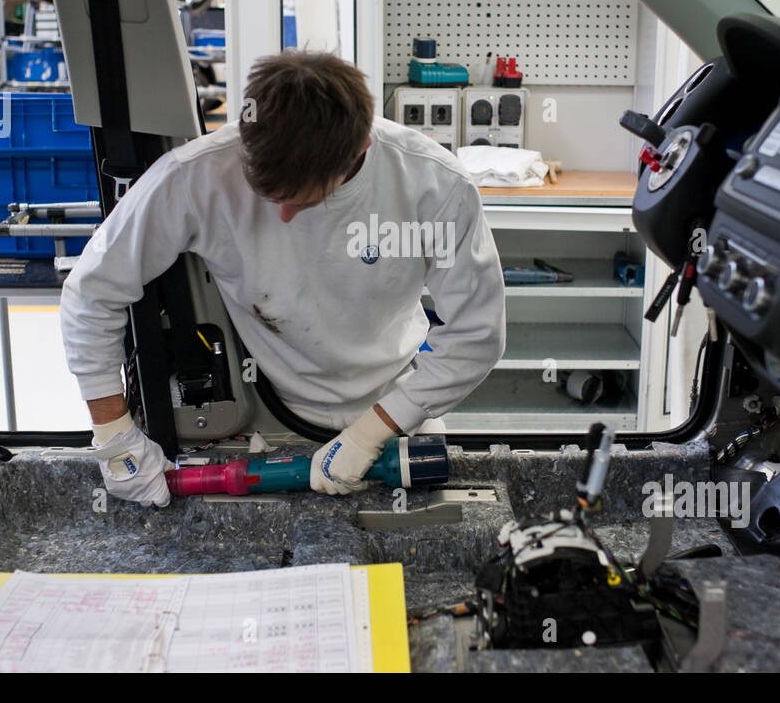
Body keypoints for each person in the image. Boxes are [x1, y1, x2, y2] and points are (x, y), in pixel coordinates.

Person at [59, 49, 506, 506]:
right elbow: (92, 292)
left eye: (302, 199)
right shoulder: (196, 176)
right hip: (264, 417)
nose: (285, 216)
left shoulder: (434, 183)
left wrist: (374, 430)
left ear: (360, 149)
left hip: (399, 412)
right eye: (267, 195)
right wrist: (114, 436)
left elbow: (476, 336)